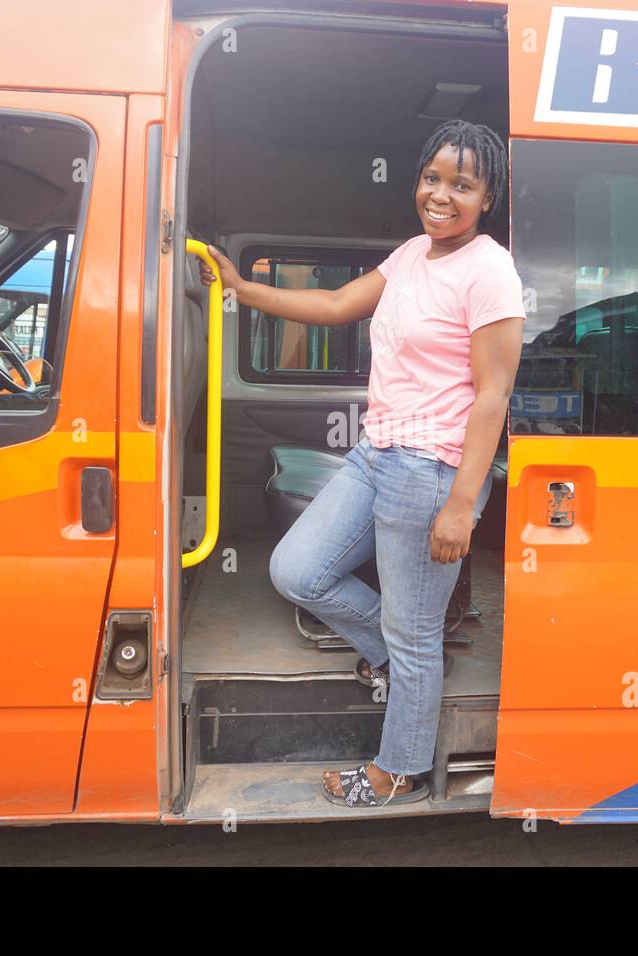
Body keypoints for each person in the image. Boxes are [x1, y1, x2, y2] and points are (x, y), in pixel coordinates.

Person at [199, 119, 525, 808]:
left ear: (487, 196)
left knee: (415, 637)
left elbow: (493, 394)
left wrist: (462, 505)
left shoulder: (488, 269)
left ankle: (395, 769)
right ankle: (405, 660)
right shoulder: (413, 254)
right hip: (377, 452)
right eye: (432, 178)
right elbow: (337, 302)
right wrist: (244, 289)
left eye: (462, 184)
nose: (441, 195)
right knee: (297, 571)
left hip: (428, 470)